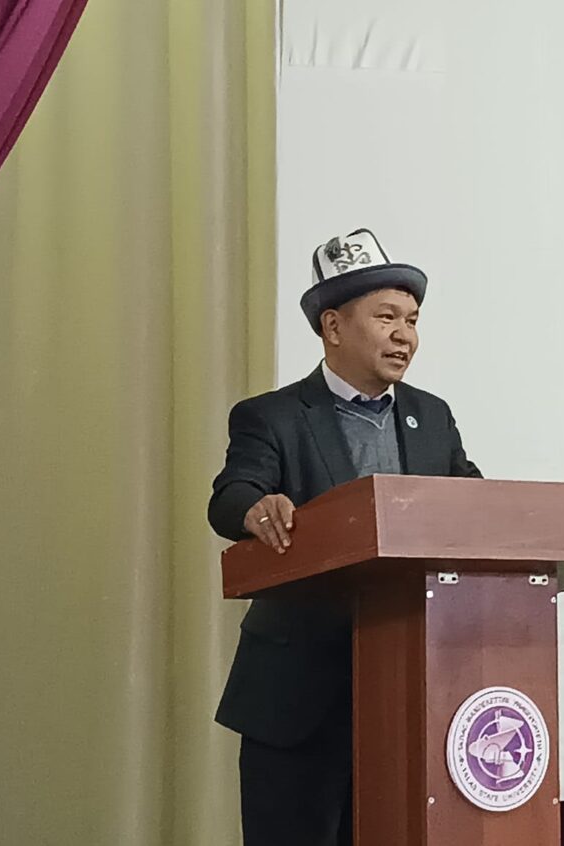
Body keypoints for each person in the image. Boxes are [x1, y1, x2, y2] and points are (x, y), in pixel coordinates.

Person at [208, 228, 481, 845]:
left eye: (412, 320)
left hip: (407, 686)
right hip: (297, 695)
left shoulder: (432, 415)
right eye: (387, 317)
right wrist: (256, 509)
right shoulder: (272, 415)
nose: (404, 335)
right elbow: (231, 495)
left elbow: (471, 501)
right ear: (333, 326)